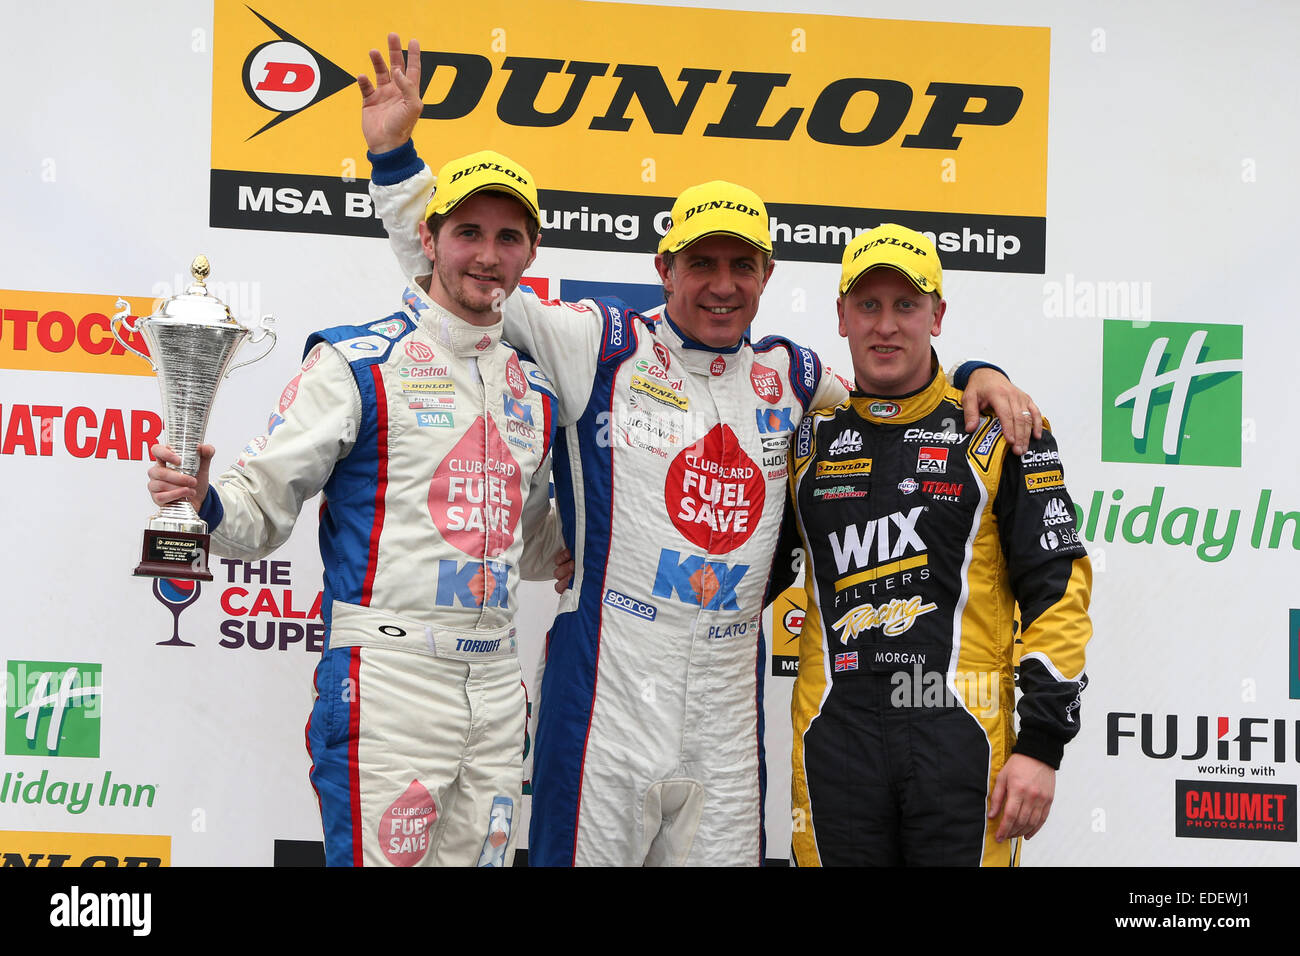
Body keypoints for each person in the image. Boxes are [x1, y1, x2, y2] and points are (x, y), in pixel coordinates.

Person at [360, 35, 1043, 866]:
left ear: (766, 274)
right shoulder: (598, 344)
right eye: (701, 263)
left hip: (726, 706)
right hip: (607, 691)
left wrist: (980, 372)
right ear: (663, 267)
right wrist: (396, 156)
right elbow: (466, 284)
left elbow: (891, 389)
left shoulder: (790, 376)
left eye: (740, 265)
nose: (721, 284)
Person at [146, 136, 563, 866]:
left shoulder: (534, 390)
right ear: (428, 238)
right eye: (467, 232)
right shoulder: (357, 362)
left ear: (531, 252)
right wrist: (204, 502)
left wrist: (607, 544)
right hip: (389, 681)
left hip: (499, 693)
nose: (487, 255)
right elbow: (262, 508)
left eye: (508, 237)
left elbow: (530, 544)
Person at [776, 224, 1092, 866]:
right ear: (841, 316)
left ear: (938, 315)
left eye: (906, 305)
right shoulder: (804, 439)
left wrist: (1041, 745)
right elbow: (741, 558)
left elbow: (1058, 591)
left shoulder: (999, 429)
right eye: (868, 305)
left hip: (960, 735)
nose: (886, 326)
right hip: (834, 735)